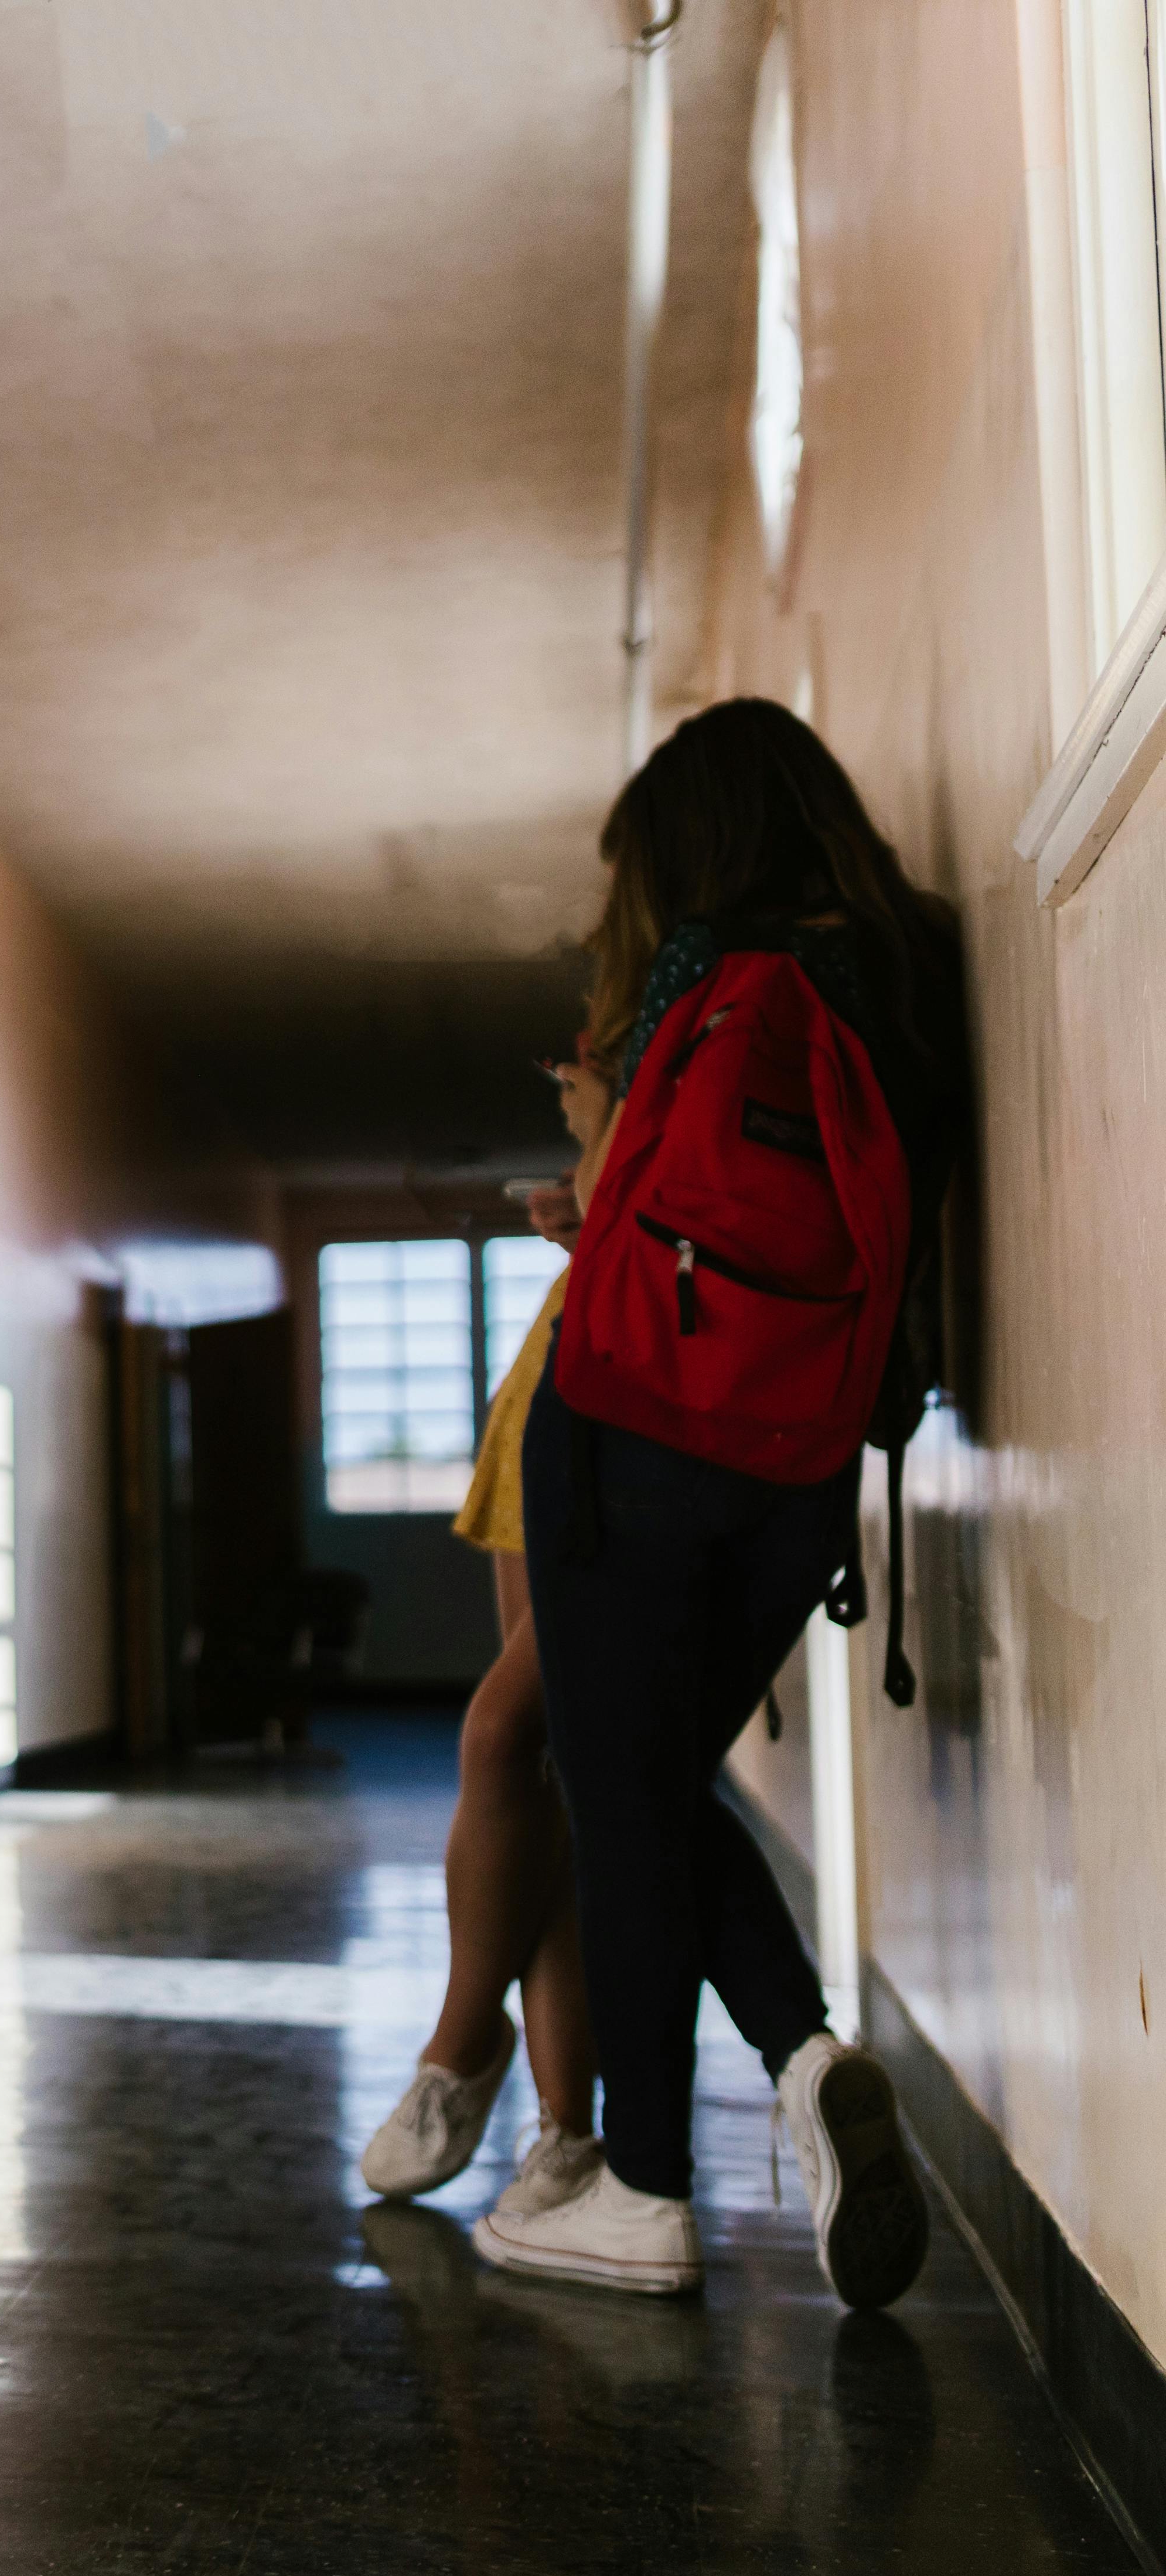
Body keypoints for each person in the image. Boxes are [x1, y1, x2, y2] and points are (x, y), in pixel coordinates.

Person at [478, 697, 963, 2309]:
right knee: (659, 1780)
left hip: (629, 1430)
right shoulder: (899, 968)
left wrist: (593, 1215)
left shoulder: (711, 968)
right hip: (806, 1455)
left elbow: (654, 1214)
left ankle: (646, 2187)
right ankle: (806, 2056)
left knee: (617, 1802)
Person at [358, 1083, 603, 2217]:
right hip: (548, 1391)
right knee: (537, 1775)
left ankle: (461, 2041)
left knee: (505, 1737)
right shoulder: (618, 1138)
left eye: (584, 1061)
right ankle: (563, 2133)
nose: (563, 1076)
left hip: (608, 1415)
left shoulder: (678, 1084)